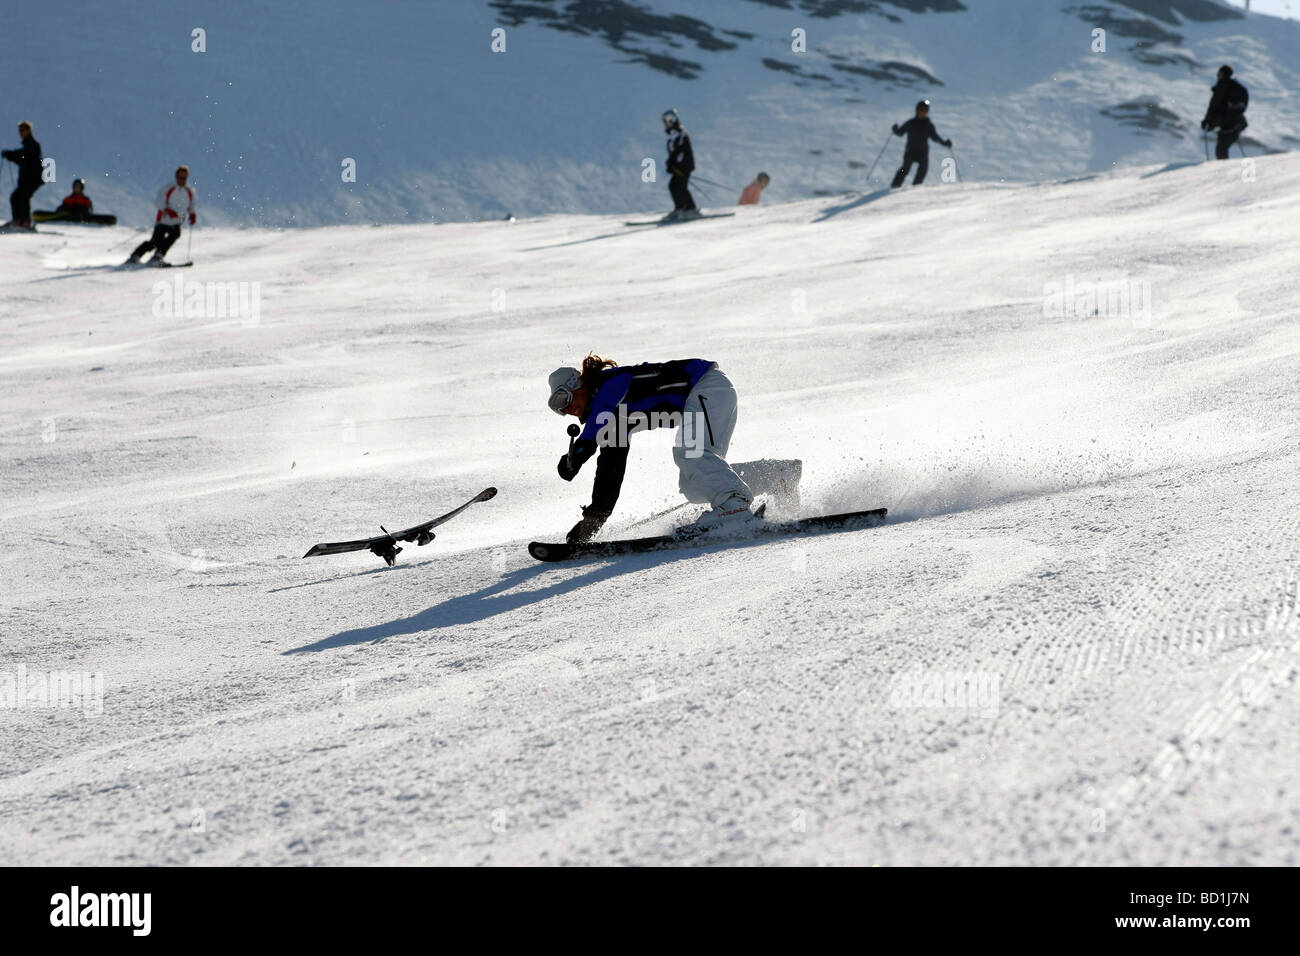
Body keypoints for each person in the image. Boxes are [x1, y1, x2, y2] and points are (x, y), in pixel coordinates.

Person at [547, 354, 755, 543]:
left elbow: (602, 410)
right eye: (558, 408)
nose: (566, 410)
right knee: (693, 484)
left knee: (691, 453)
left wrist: (579, 453)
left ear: (577, 385)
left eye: (563, 398)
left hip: (707, 386)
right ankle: (777, 478)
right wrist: (593, 521)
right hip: (710, 395)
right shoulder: (613, 423)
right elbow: (610, 470)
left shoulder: (610, 384)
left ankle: (734, 507)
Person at [129, 166, 196, 264]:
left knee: (175, 235)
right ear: (176, 177)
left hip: (177, 222)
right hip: (163, 221)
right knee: (155, 242)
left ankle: (158, 256)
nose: (182, 180)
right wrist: (167, 210)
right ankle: (135, 256)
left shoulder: (190, 191)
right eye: (180, 177)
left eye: (184, 178)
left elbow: (191, 204)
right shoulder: (168, 188)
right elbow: (158, 202)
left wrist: (192, 214)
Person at [889, 100, 951, 188]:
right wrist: (895, 130)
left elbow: (935, 137)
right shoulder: (911, 123)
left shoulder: (928, 125)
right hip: (910, 151)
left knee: (923, 170)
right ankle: (895, 186)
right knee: (904, 169)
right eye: (921, 110)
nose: (923, 112)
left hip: (922, 152)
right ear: (917, 110)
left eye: (926, 110)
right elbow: (900, 133)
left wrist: (944, 143)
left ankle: (915, 188)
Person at [1202, 64, 1248, 161]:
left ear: (1222, 74)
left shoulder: (1222, 87)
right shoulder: (1238, 88)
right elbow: (1243, 107)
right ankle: (1225, 169)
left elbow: (1214, 106)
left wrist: (1207, 120)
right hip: (1238, 122)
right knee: (1223, 148)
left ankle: (1223, 171)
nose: (1218, 76)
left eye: (1219, 74)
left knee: (1221, 149)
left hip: (1226, 123)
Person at [2, 121, 43, 229]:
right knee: (19, 197)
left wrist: (10, 155)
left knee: (21, 197)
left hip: (32, 178)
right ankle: (21, 220)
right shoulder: (28, 144)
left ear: (29, 130)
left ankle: (22, 221)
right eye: (20, 130)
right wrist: (11, 155)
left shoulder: (33, 145)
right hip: (29, 179)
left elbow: (24, 157)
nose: (21, 132)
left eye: (23, 130)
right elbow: (22, 158)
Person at [662, 109, 698, 222]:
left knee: (679, 186)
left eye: (666, 121)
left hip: (685, 165)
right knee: (674, 186)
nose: (664, 124)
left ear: (671, 120)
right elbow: (674, 152)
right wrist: (671, 164)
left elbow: (680, 150)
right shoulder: (673, 134)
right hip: (679, 166)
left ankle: (690, 209)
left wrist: (672, 162)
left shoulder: (681, 132)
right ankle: (681, 208)